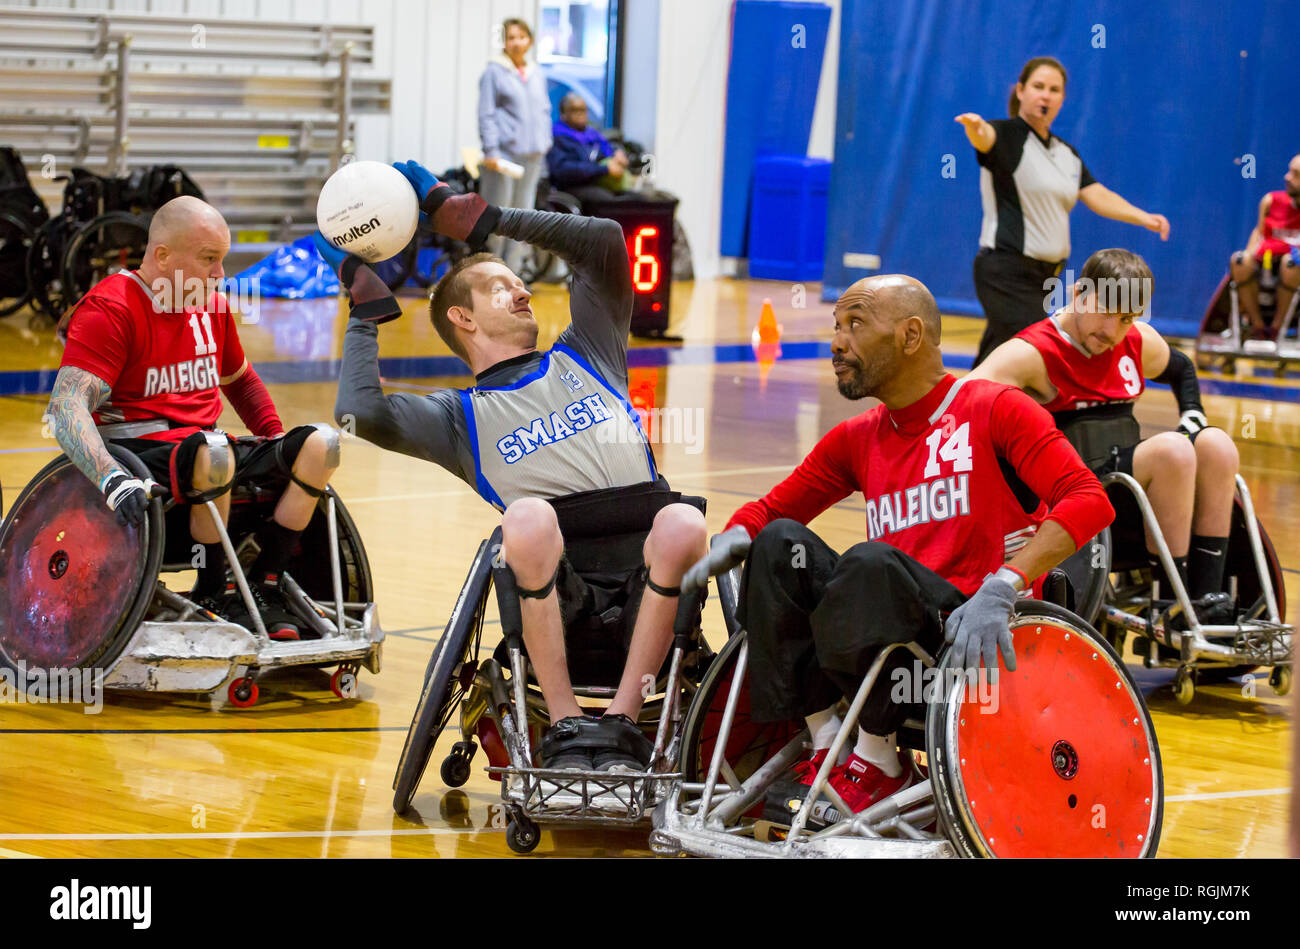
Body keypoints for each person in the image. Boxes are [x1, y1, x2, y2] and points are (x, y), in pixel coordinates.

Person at [681, 274, 1113, 827]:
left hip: (966, 641)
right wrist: (735, 536)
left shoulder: (996, 407)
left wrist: (1004, 586)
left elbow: (1088, 499)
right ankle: (831, 745)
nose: (838, 341)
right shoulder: (858, 437)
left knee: (869, 561)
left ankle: (881, 761)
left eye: (856, 324)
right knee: (778, 542)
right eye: (836, 326)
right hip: (883, 637)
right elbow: (768, 512)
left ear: (911, 336)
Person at [321, 159, 706, 774]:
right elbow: (358, 412)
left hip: (648, 569)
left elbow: (604, 240)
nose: (523, 290)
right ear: (462, 317)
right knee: (525, 517)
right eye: (501, 287)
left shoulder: (590, 348)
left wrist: (485, 219)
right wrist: (364, 314)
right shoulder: (456, 418)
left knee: (686, 521)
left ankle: (624, 724)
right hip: (558, 584)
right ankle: (564, 723)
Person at [47, 196, 340, 639]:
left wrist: (278, 447)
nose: (221, 275)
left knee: (322, 443)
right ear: (163, 255)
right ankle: (212, 588)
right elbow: (65, 407)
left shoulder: (213, 306)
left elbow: (241, 383)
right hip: (140, 452)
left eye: (222, 260)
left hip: (206, 447)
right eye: (209, 260)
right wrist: (109, 476)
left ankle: (265, 583)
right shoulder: (112, 307)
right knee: (215, 450)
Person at [967, 247, 1242, 623]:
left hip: (1133, 495)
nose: (1112, 331)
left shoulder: (1136, 342)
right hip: (1072, 500)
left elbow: (1181, 368)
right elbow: (962, 401)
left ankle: (1207, 597)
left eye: (1126, 318)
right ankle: (1168, 604)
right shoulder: (1032, 353)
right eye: (1106, 312)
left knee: (1216, 444)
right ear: (1079, 292)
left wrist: (1193, 412)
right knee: (1173, 451)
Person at [955, 56, 1170, 366]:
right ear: (1020, 91)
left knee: (997, 355)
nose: (1046, 95)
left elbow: (1096, 195)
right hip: (1004, 272)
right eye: (1038, 87)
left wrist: (1144, 217)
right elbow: (985, 139)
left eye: (1054, 90)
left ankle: (966, 406)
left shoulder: (1066, 154)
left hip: (1045, 277)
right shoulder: (1006, 136)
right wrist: (975, 129)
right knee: (1037, 348)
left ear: (1062, 99)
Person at [477, 17, 553, 274]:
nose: (516, 42)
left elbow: (544, 110)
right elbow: (486, 113)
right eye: (511, 37)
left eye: (521, 37)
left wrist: (545, 143)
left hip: (532, 155)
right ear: (505, 42)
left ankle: (513, 274)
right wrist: (491, 151)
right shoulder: (493, 72)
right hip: (504, 157)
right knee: (499, 217)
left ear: (530, 40)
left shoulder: (537, 72)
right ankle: (491, 272)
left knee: (524, 218)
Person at [1229, 152, 1300, 339]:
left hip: (1293, 268)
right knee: (1239, 260)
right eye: (1289, 171)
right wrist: (1249, 255)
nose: (1287, 177)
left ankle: (1278, 328)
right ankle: (1257, 326)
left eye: (1296, 174)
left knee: (1291, 262)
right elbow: (1258, 233)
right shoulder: (1271, 201)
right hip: (1266, 264)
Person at [547, 93, 631, 206]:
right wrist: (604, 169)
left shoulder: (592, 134)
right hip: (572, 187)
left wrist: (617, 154)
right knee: (610, 203)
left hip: (598, 183)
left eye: (583, 110)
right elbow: (562, 171)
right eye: (574, 110)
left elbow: (607, 150)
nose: (580, 114)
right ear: (563, 113)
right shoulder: (556, 136)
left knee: (636, 199)